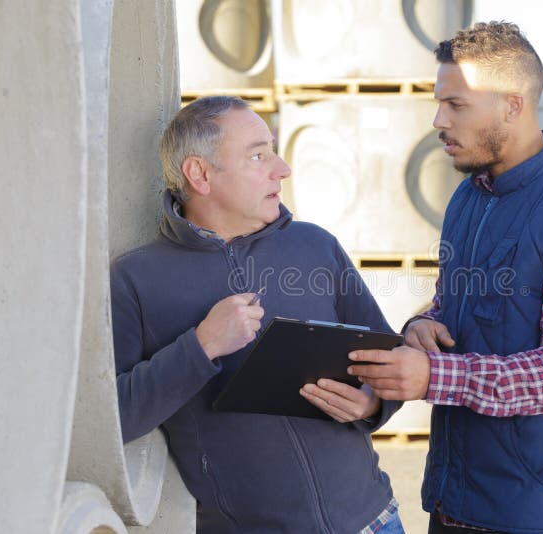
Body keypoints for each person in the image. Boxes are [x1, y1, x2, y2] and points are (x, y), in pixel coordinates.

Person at [348, 21, 543, 534]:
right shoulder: (469, 196)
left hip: (542, 516)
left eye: (456, 105)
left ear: (512, 105)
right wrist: (422, 326)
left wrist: (434, 376)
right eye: (439, 103)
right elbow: (454, 308)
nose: (438, 120)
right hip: (455, 501)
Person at [111, 96, 405, 533]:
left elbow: (388, 358)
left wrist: (372, 402)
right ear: (200, 174)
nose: (282, 169)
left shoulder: (315, 246)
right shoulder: (134, 279)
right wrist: (201, 346)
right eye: (257, 156)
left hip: (373, 521)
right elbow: (115, 418)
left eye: (273, 150)